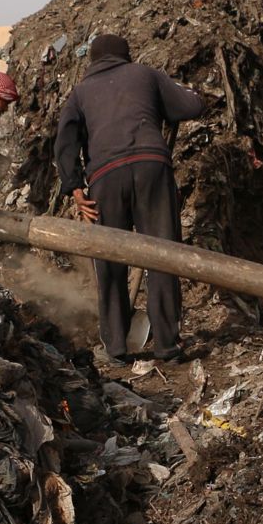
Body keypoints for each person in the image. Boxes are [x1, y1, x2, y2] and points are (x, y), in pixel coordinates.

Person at [53, 34, 206, 363]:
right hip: (152, 167)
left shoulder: (80, 93)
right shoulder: (145, 75)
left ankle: (117, 347)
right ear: (126, 55)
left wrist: (76, 189)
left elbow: (65, 143)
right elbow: (190, 106)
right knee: (163, 254)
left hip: (105, 177)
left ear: (92, 60)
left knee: (108, 259)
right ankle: (167, 344)